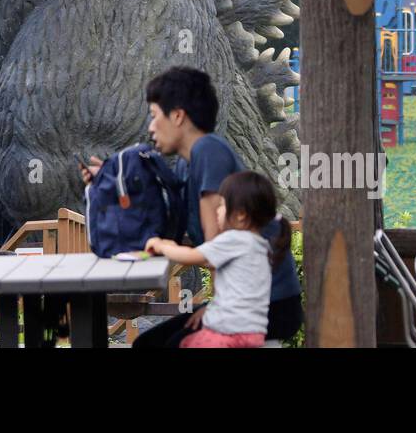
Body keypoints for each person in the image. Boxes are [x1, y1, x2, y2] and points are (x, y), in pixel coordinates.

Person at [79, 66, 303, 345]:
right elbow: (159, 217)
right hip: (241, 301)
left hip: (269, 306)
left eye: (154, 116)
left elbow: (214, 250)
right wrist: (109, 183)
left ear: (177, 116)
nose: (150, 128)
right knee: (146, 344)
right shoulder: (187, 165)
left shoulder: (209, 151)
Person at [144, 171, 275, 347]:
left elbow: (193, 257)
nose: (217, 210)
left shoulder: (235, 239)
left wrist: (161, 246)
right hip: (252, 333)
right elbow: (239, 294)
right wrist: (211, 310)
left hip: (228, 332)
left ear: (241, 214)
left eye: (221, 205)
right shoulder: (260, 245)